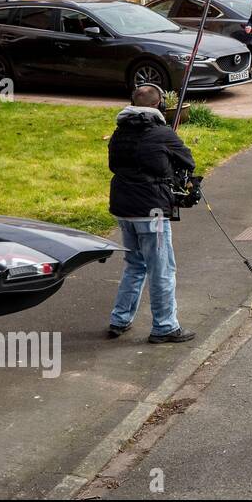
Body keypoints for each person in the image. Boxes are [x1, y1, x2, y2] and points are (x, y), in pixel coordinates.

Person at [107, 84, 197, 344]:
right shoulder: (162, 133)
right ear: (159, 105)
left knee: (135, 265)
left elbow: (114, 164)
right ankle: (165, 326)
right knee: (162, 269)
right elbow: (187, 161)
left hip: (123, 208)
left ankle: (120, 319)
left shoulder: (119, 132)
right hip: (151, 211)